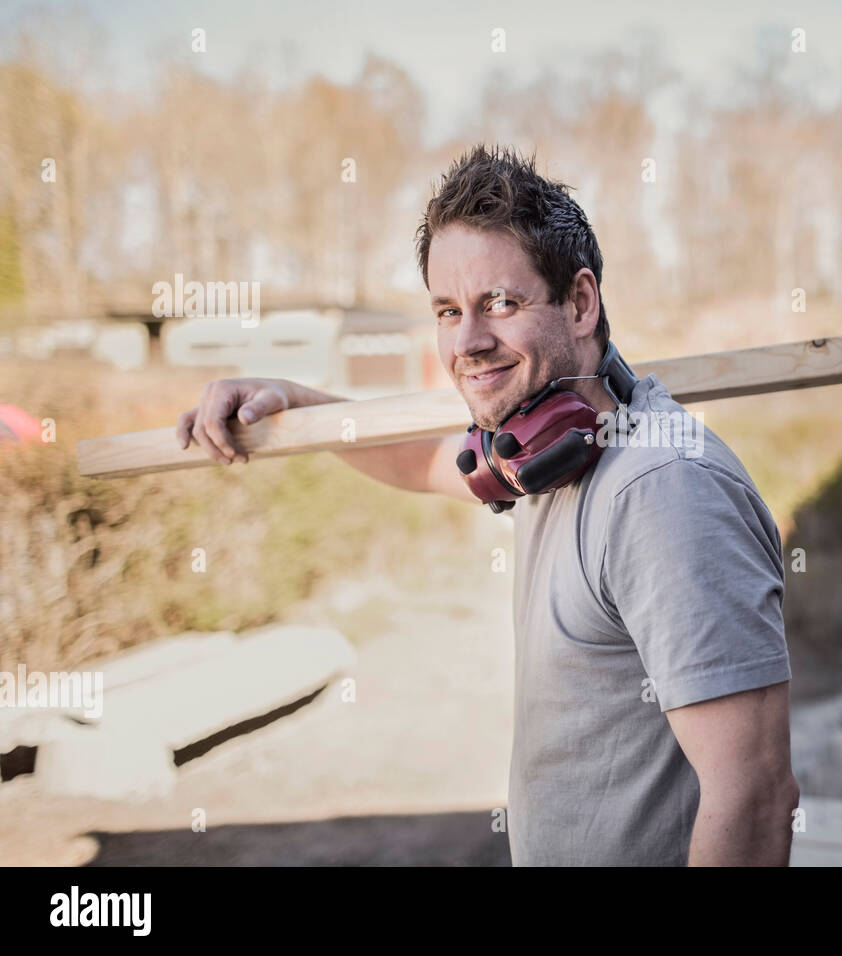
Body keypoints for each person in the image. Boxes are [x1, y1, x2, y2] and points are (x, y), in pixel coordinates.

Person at [176, 143, 798, 866]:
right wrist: (286, 400)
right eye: (447, 310)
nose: (468, 341)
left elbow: (754, 799)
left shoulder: (659, 492)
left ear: (580, 302)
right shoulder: (545, 454)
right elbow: (418, 459)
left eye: (500, 303)